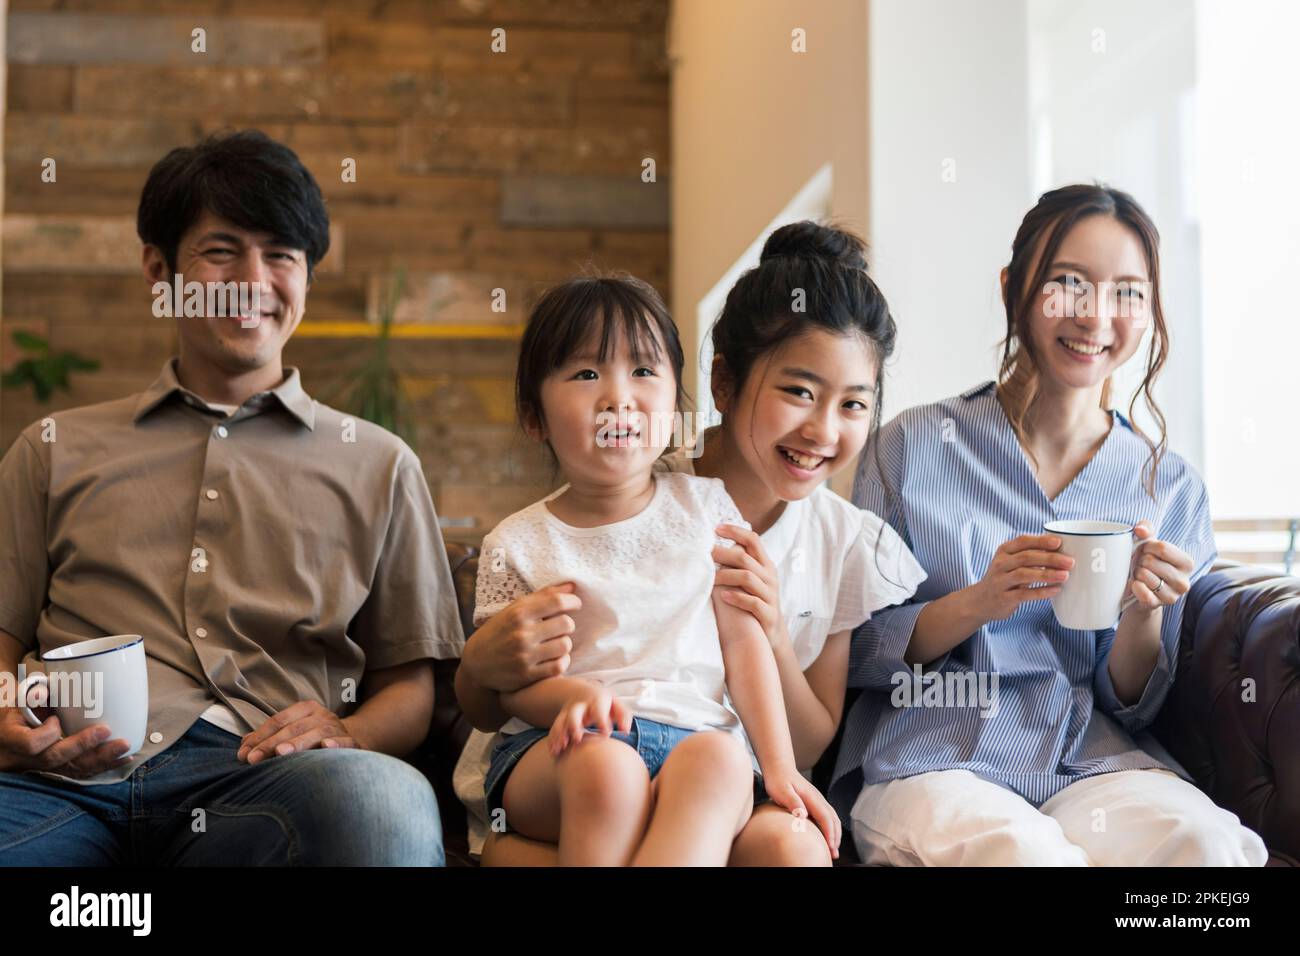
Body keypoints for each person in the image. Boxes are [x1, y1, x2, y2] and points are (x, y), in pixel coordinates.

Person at [0, 130, 463, 866]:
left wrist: (353, 734)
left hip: (265, 780)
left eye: (281, 254)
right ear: (160, 269)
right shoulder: (53, 448)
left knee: (380, 804)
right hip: (59, 783)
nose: (253, 278)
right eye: (221, 251)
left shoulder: (380, 464)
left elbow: (408, 686)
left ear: (306, 277)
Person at [455, 222, 925, 865]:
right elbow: (494, 691)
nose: (821, 428)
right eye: (798, 392)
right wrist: (512, 676)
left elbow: (803, 735)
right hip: (572, 762)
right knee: (609, 772)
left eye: (852, 404)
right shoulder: (625, 493)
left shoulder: (775, 527)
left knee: (765, 815)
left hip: (705, 762)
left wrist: (775, 636)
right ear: (722, 385)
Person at [832, 184, 1269, 866]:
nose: (1096, 316)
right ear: (1014, 288)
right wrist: (979, 601)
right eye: (1069, 283)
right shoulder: (912, 446)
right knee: (1022, 856)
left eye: (1128, 291)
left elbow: (1134, 704)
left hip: (1087, 761)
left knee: (1206, 847)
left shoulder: (1170, 486)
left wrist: (1142, 613)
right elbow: (856, 653)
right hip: (934, 758)